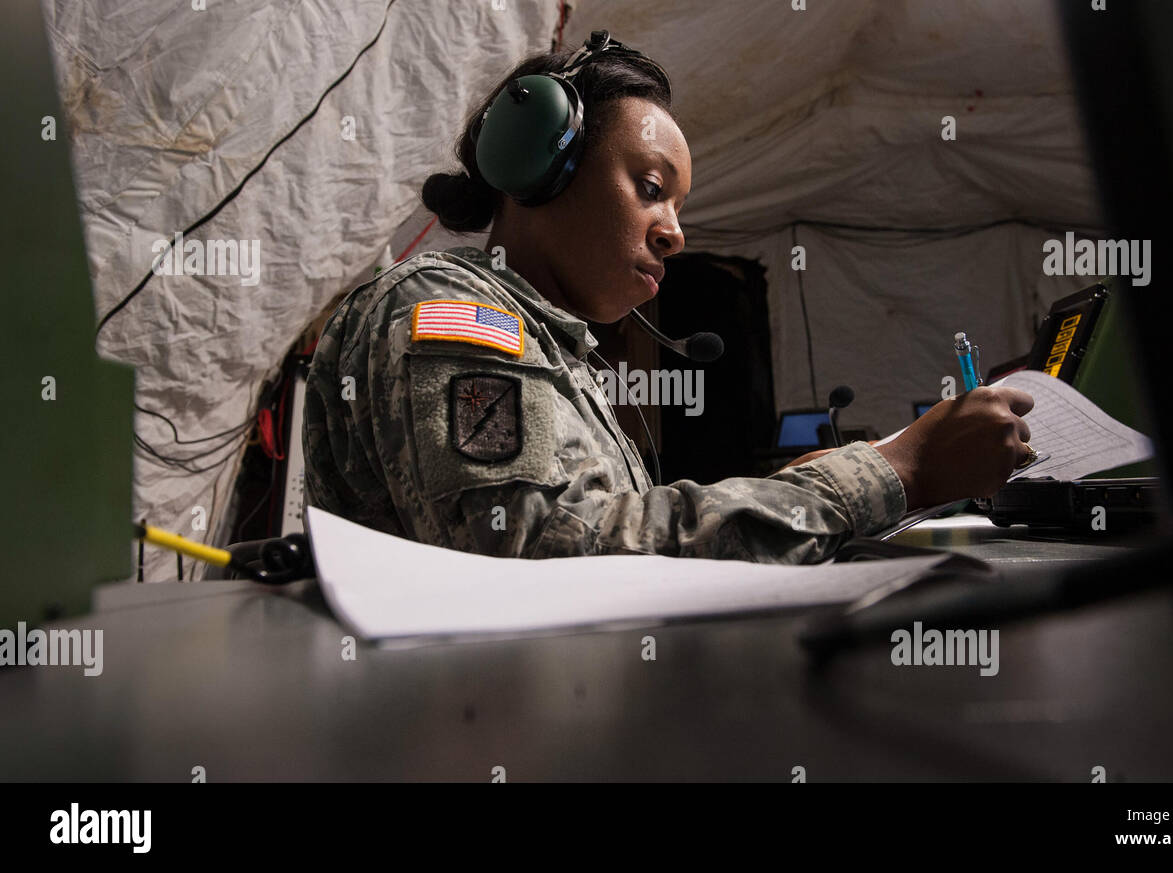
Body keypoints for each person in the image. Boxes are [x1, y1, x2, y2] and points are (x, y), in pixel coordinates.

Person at [302, 33, 1035, 563]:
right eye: (651, 190)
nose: (675, 234)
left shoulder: (551, 347)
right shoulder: (448, 306)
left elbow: (617, 527)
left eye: (678, 206)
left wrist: (829, 481)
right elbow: (533, 548)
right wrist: (892, 471)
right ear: (540, 166)